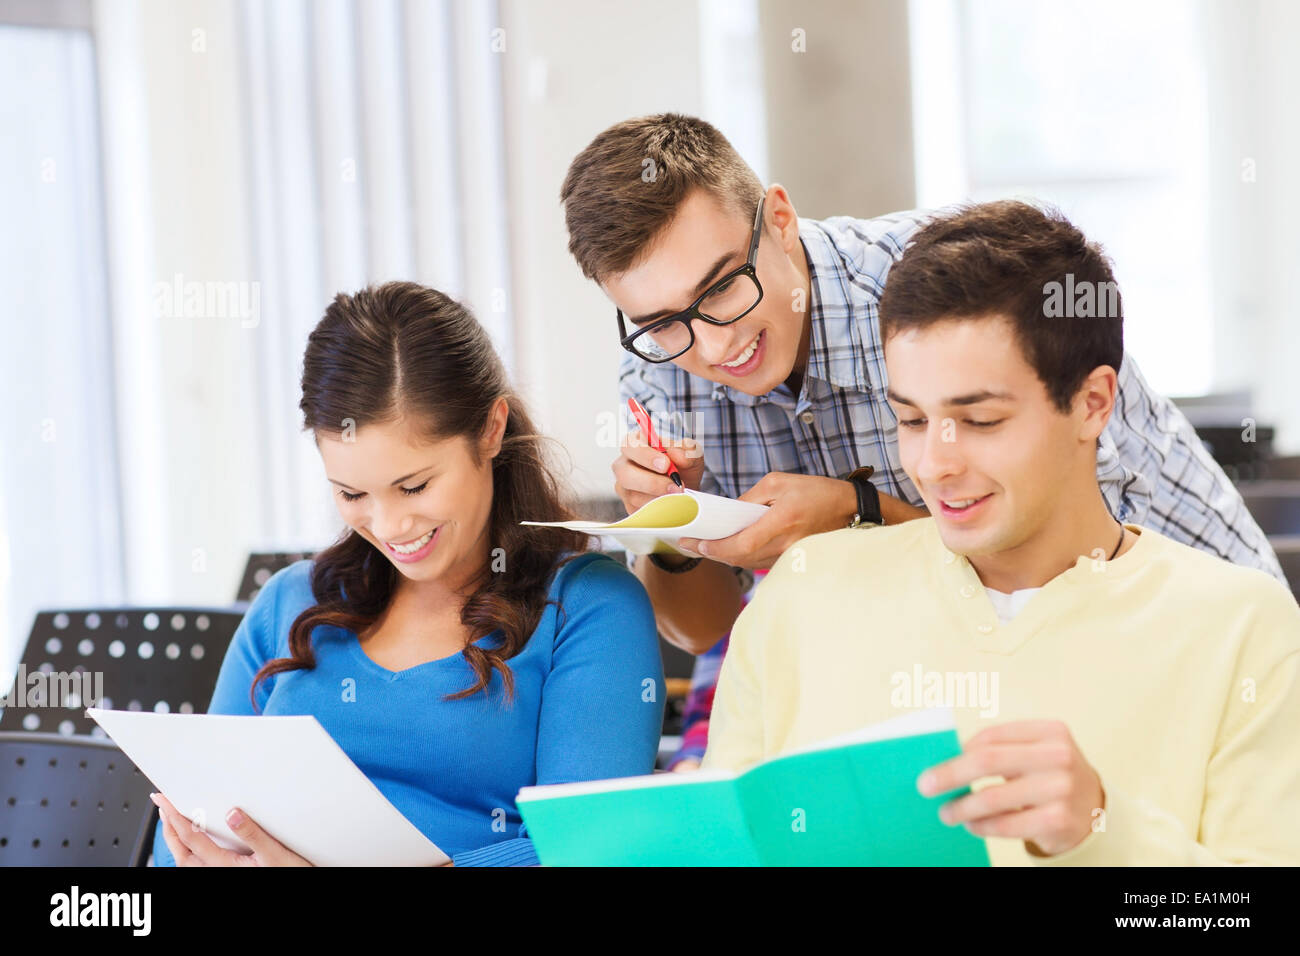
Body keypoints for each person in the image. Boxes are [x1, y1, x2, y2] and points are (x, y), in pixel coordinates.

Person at [560, 113, 1285, 662]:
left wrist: (856, 515)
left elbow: (1082, 576)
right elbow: (702, 628)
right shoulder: (662, 369)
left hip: (1189, 642)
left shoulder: (956, 293)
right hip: (975, 671)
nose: (713, 343)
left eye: (724, 286)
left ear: (779, 221)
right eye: (661, 321)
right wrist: (669, 535)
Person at [701, 200, 1300, 865]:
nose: (934, 466)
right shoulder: (802, 593)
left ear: (1092, 404)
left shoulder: (1244, 628)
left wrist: (1103, 829)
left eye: (980, 421)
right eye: (912, 421)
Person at [150, 281, 665, 867]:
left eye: (414, 486)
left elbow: (592, 853)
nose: (391, 526)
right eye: (352, 493)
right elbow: (190, 837)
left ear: (491, 429)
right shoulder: (288, 605)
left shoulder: (589, 607)